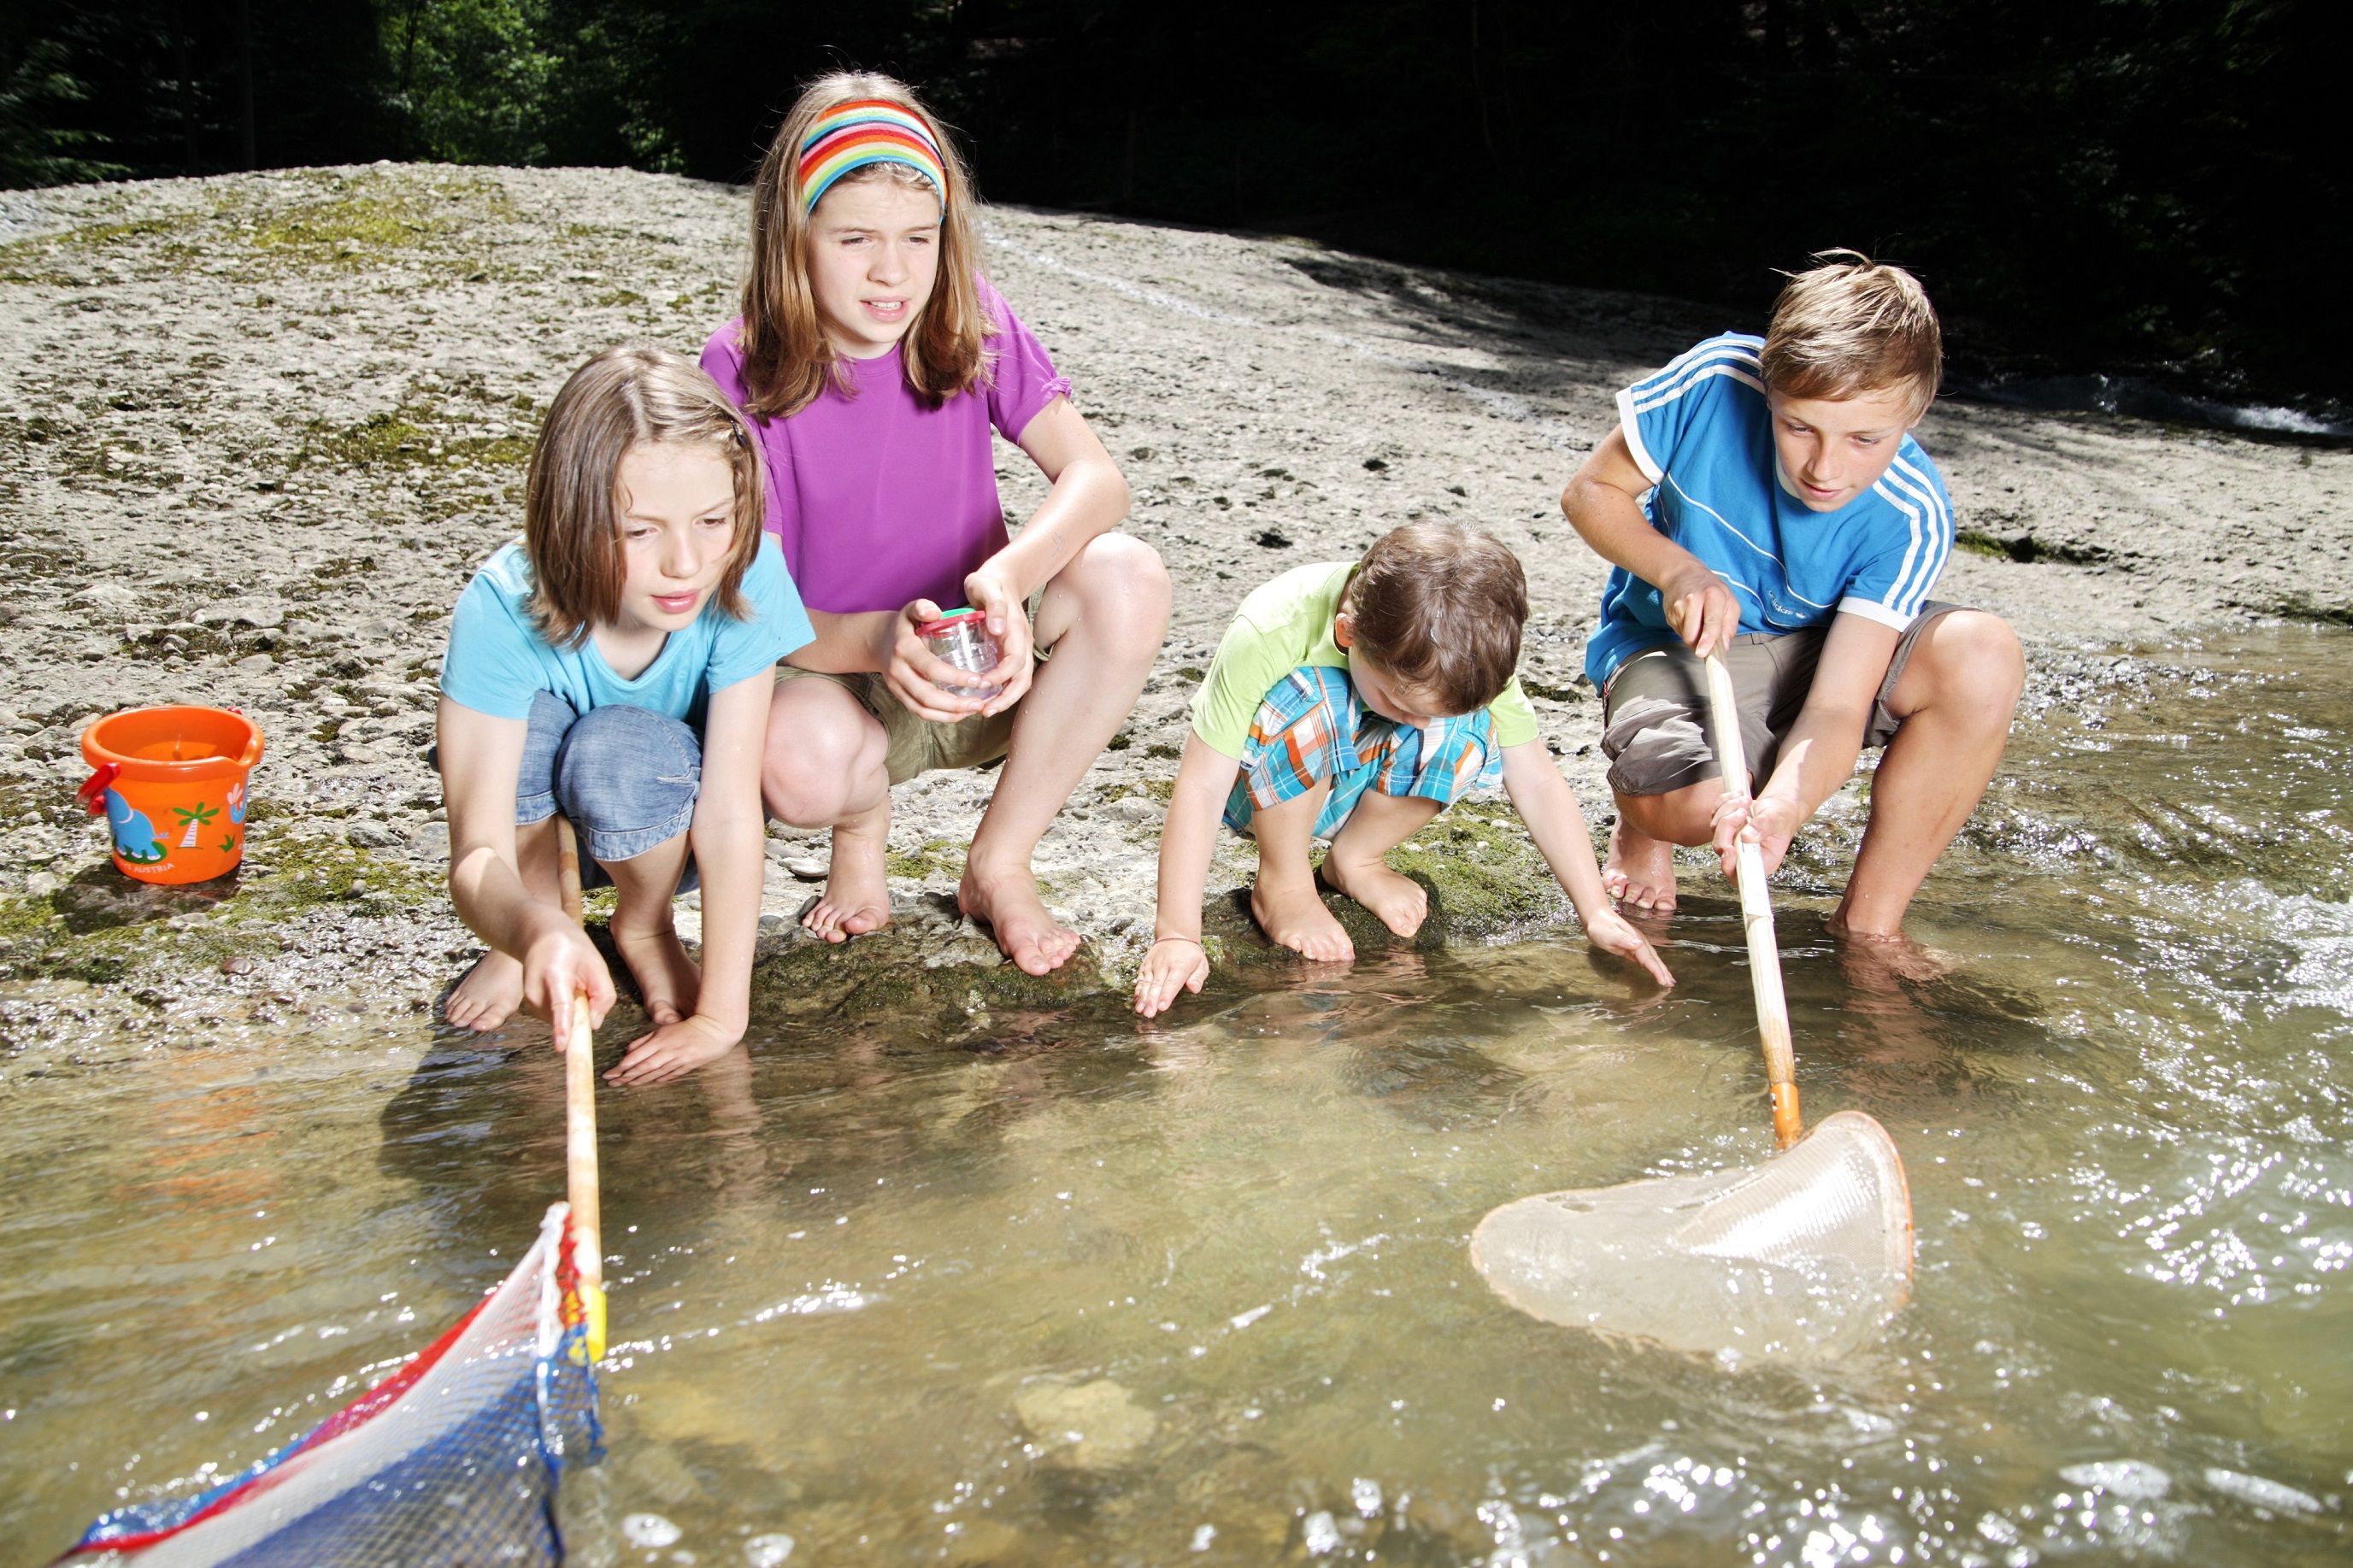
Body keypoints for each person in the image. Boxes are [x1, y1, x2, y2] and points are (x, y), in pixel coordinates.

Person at [702, 73, 1169, 976]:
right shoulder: (739, 364)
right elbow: (744, 603)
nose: (892, 271)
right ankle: (858, 826)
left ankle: (997, 861)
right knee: (795, 765)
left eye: (919, 238)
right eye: (855, 240)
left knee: (1128, 573)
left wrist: (1009, 576)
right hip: (831, 671)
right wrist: (880, 642)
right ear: (791, 238)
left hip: (977, 656)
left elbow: (1096, 479)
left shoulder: (968, 317)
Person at [1560, 251, 2025, 947]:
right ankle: (1638, 822)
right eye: (1798, 426)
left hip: (1823, 653)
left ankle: (1868, 929)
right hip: (1680, 643)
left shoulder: (1913, 515)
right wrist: (1679, 571)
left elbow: (1838, 704)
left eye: (1865, 438)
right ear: (1770, 389)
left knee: (1983, 656)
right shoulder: (1716, 380)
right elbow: (1589, 492)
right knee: (1691, 808)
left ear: (1916, 409)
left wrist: (1783, 804)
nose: (1825, 468)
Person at [436, 345, 812, 1085]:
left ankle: (642, 920)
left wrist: (722, 1015)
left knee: (616, 744)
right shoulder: (498, 605)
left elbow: (733, 810)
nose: (685, 564)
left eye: (713, 520)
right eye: (639, 532)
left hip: (663, 823)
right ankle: (538, 920)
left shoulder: (747, 571)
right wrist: (530, 930)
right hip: (531, 840)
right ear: (568, 519)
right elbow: (474, 852)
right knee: (537, 722)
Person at [1133, 523, 1674, 1018]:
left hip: (1353, 786)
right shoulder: (1278, 625)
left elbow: (1535, 778)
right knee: (1314, 695)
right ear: (1348, 633)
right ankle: (1286, 883)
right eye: (1397, 701)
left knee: (1468, 729)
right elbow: (1203, 784)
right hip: (1259, 788)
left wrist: (1595, 911)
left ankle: (1357, 857)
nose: (1415, 724)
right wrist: (1177, 933)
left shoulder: (1466, 648)